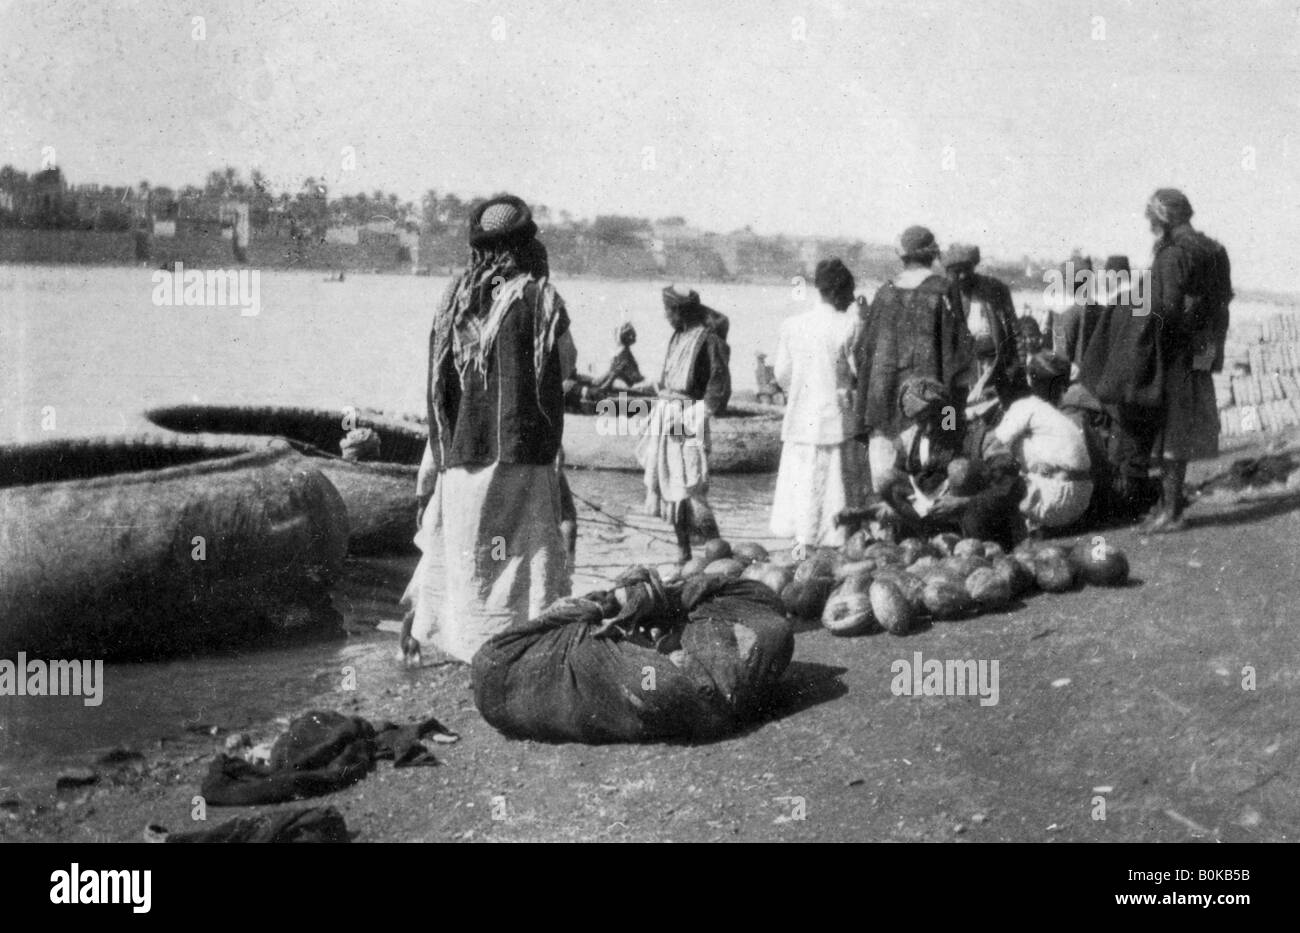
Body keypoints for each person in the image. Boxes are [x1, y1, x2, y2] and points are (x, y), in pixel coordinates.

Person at [404, 194, 572, 663]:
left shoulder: (453, 300)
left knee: (471, 556)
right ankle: (519, 646)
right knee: (522, 560)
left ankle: (464, 644)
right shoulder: (539, 298)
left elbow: (438, 387)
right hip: (520, 455)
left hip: (460, 458)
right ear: (525, 246)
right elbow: (566, 364)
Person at [1140, 188, 1233, 533]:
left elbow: (1167, 309)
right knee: (1182, 425)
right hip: (1205, 345)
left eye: (1151, 217)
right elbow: (1223, 300)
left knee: (1171, 431)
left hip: (1177, 351)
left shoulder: (1172, 254)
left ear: (1163, 218)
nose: (1149, 224)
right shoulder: (1214, 249)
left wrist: (1147, 346)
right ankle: (1169, 506)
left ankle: (1172, 512)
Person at [855, 226, 974, 495]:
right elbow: (958, 366)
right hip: (930, 415)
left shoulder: (884, 294)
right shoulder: (944, 291)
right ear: (934, 255)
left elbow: (863, 353)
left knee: (887, 493)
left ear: (902, 257)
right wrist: (951, 426)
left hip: (882, 413)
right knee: (929, 494)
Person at [768, 258, 864, 548]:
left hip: (800, 417)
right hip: (835, 418)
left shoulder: (792, 324)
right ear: (837, 293)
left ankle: (802, 543)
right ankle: (834, 541)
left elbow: (781, 374)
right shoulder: (850, 325)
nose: (851, 299)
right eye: (849, 293)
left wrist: (801, 390)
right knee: (834, 485)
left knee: (802, 484)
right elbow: (859, 372)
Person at [871, 377, 1024, 550]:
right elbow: (902, 493)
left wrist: (965, 503)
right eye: (920, 421)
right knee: (886, 480)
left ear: (946, 411)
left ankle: (976, 548)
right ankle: (927, 541)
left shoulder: (982, 438)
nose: (928, 427)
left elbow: (1013, 487)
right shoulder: (912, 440)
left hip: (979, 526)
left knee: (959, 470)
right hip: (934, 520)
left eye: (933, 417)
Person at [637, 285, 732, 562]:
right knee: (670, 483)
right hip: (669, 416)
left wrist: (701, 413)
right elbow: (672, 379)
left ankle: (717, 551)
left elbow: (718, 384)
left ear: (679, 311)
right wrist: (655, 386)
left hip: (687, 419)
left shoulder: (708, 340)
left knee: (690, 485)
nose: (666, 316)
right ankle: (683, 552)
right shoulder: (678, 336)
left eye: (668, 311)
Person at [993, 390, 1094, 535]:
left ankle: (1019, 531)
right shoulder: (1047, 411)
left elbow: (996, 446)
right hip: (1080, 498)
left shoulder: (1022, 406)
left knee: (997, 472)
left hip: (1056, 498)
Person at [943, 243, 1027, 407]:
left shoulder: (996, 289)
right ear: (949, 272)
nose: (961, 276)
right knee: (961, 414)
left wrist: (1021, 365)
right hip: (966, 368)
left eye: (965, 269)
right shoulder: (946, 294)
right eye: (956, 271)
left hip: (997, 365)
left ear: (973, 266)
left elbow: (1014, 330)